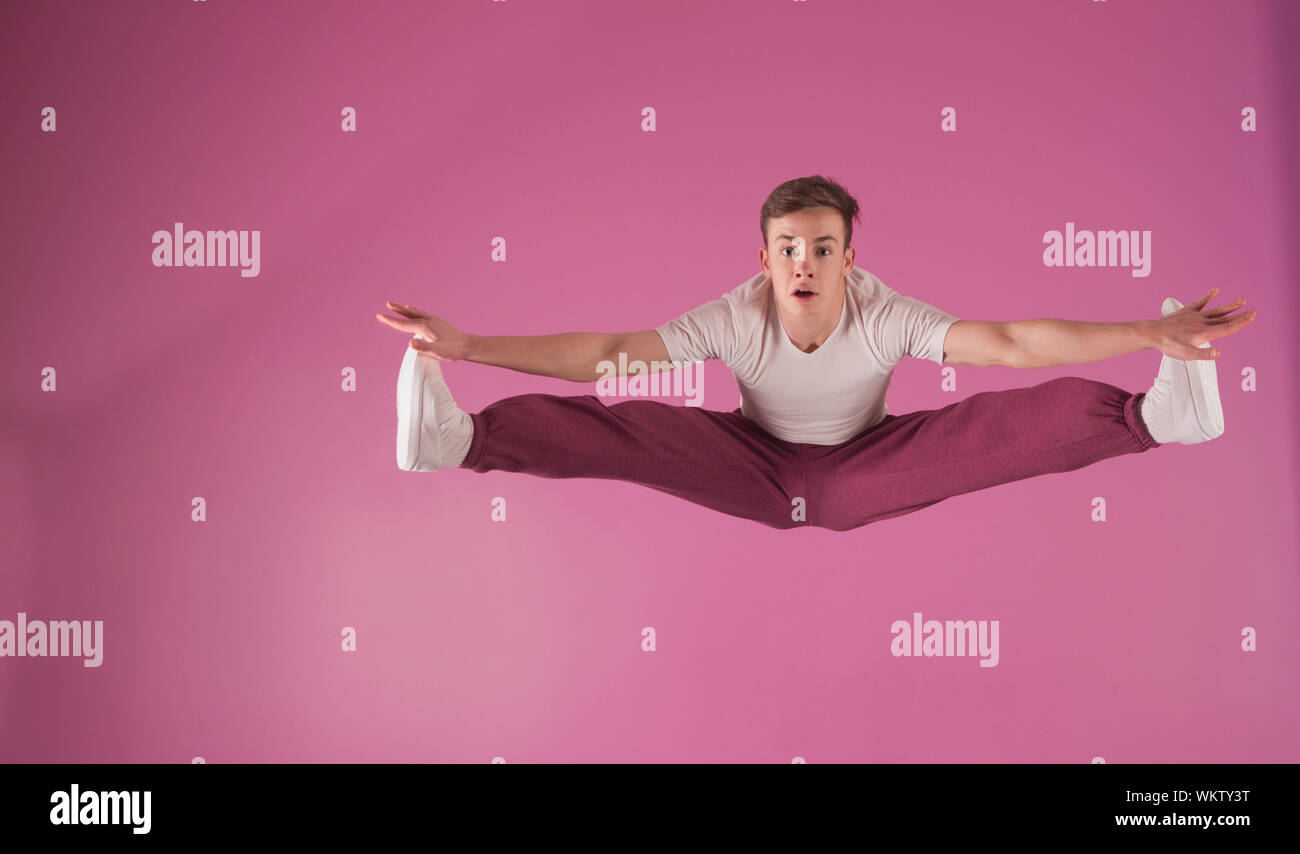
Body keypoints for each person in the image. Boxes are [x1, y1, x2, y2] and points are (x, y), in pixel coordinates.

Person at [375, 176, 1257, 531]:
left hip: (865, 465)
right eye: (788, 249)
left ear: (849, 258)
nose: (804, 264)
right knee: (636, 424)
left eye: (822, 248)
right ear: (763, 259)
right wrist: (470, 345)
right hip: (750, 461)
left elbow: (1010, 343)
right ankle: (460, 441)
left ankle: (1158, 414)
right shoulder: (736, 312)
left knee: (984, 435)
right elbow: (612, 353)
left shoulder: (883, 313)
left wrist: (1152, 334)